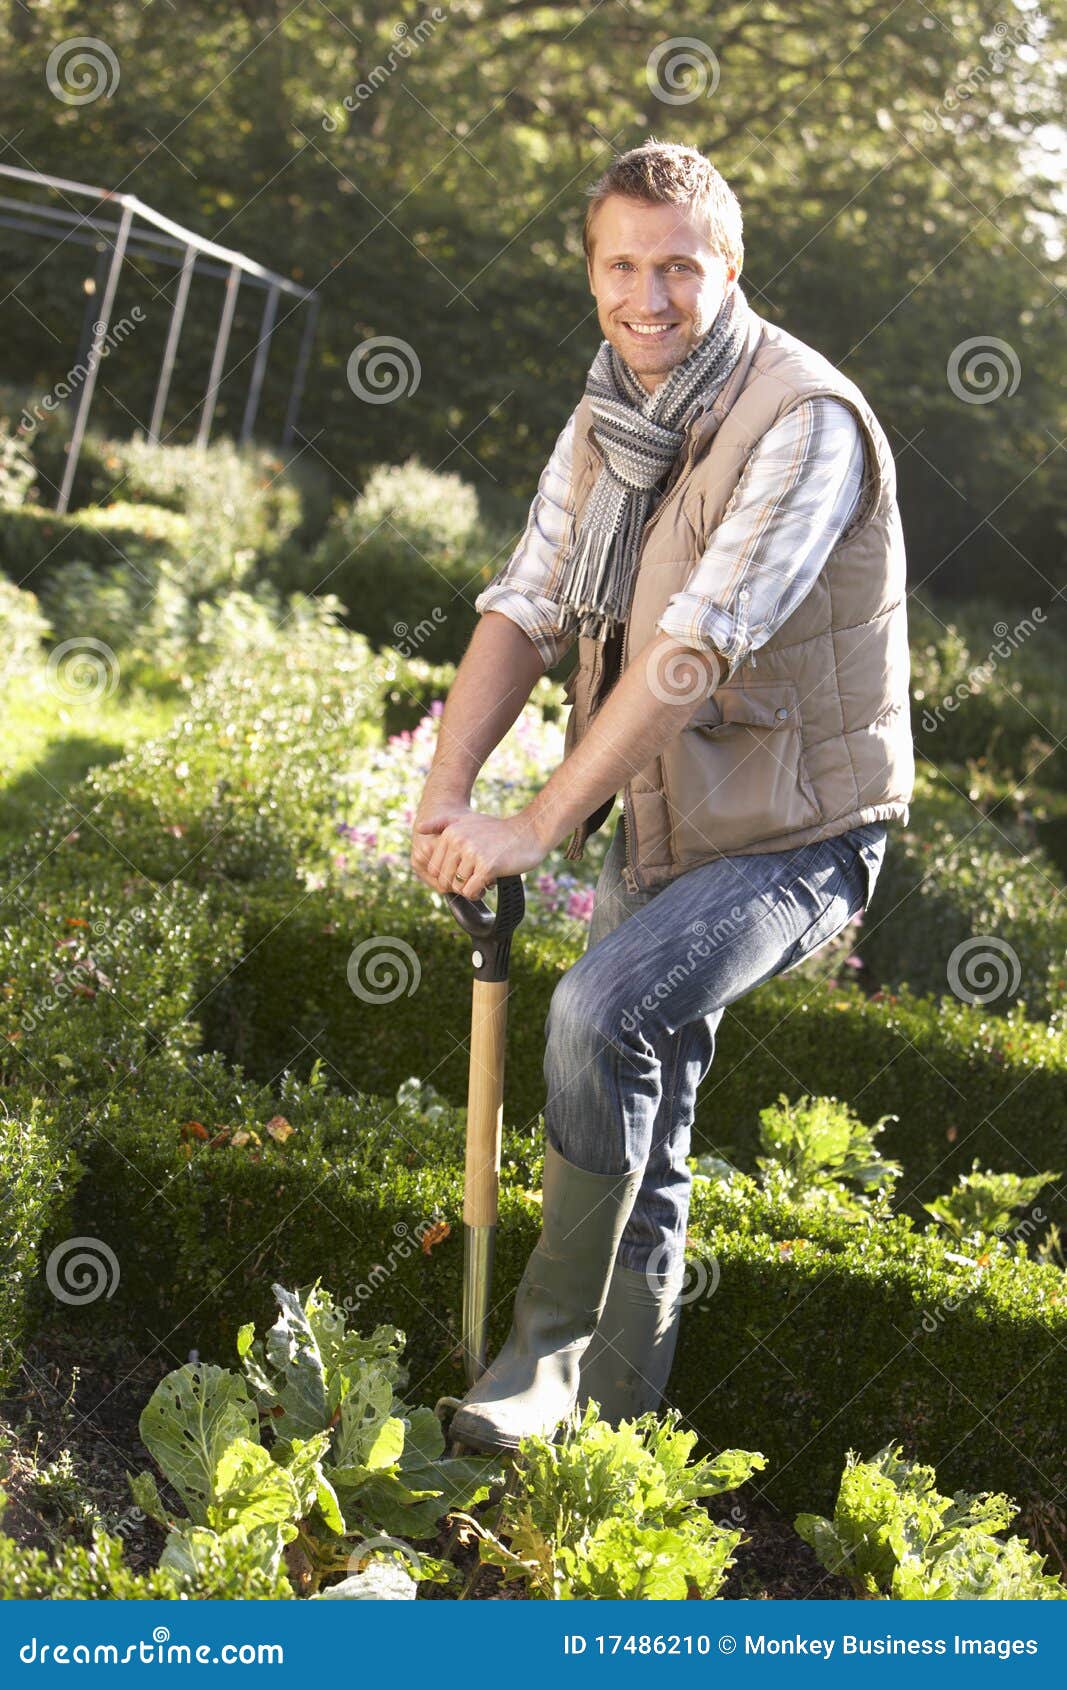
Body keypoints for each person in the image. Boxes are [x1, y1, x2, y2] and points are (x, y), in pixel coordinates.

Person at [410, 139, 914, 1454]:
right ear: (592, 274)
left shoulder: (804, 420)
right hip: (670, 819)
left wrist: (533, 821)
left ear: (729, 267)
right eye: (621, 266)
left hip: (805, 832)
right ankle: (616, 1438)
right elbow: (525, 603)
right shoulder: (608, 415)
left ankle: (542, 1357)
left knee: (601, 1008)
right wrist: (445, 794)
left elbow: (693, 649)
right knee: (647, 1103)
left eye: (677, 267)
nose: (649, 296)